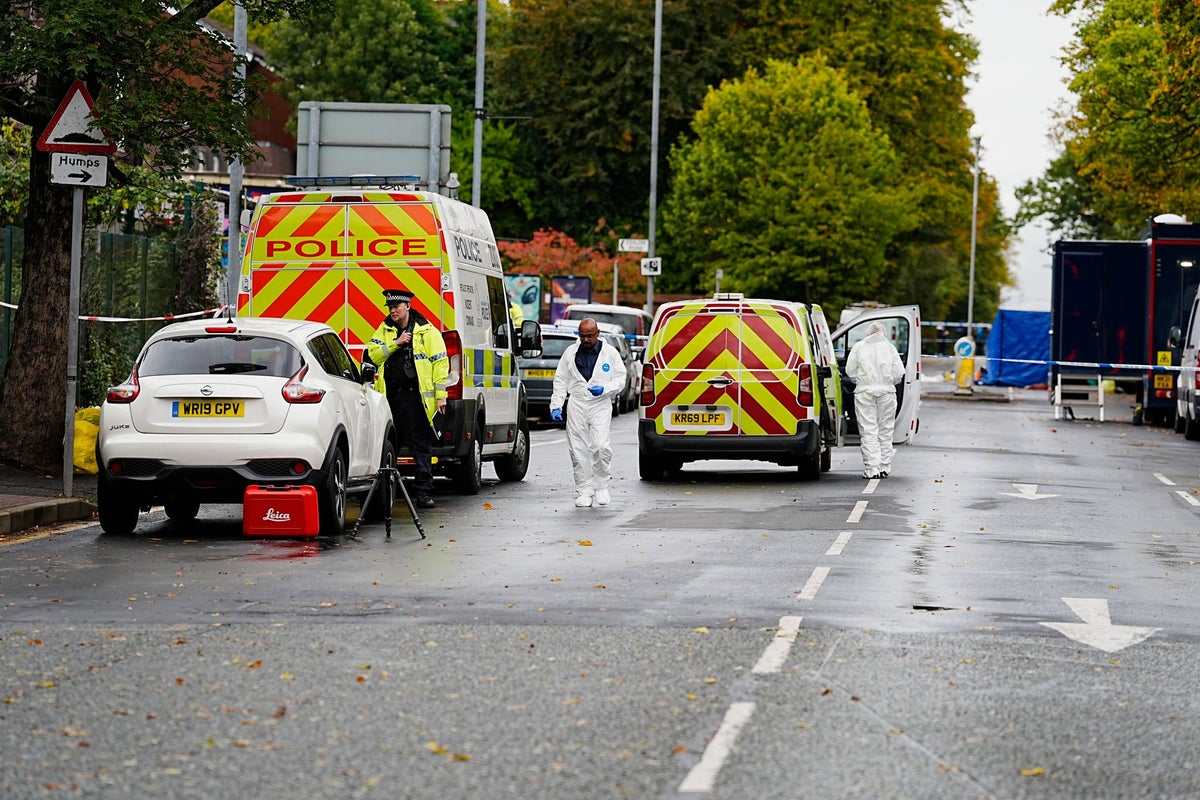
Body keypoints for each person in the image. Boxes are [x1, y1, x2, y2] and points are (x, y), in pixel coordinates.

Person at [366, 288, 449, 509]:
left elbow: (440, 363)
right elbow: (372, 354)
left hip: (415, 398)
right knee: (387, 447)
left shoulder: (426, 331)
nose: (392, 311)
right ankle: (382, 493)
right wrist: (396, 343)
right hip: (390, 398)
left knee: (419, 446)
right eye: (390, 307)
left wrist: (441, 397)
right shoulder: (384, 329)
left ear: (407, 307)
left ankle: (423, 493)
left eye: (396, 307)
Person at [549, 318, 628, 507]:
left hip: (600, 404)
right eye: (582, 336)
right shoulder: (570, 353)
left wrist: (606, 388)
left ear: (598, 333)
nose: (586, 340)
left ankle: (601, 486)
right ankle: (584, 490)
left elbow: (621, 378)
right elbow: (560, 379)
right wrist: (556, 404)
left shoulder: (609, 353)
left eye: (590, 336)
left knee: (600, 446)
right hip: (577, 403)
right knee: (578, 449)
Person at [845, 320, 906, 479]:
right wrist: (889, 382)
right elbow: (899, 372)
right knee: (885, 430)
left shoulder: (859, 347)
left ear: (868, 333)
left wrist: (861, 380)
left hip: (865, 392)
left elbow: (850, 370)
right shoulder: (890, 348)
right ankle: (884, 467)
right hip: (886, 392)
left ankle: (872, 469)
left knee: (868, 430)